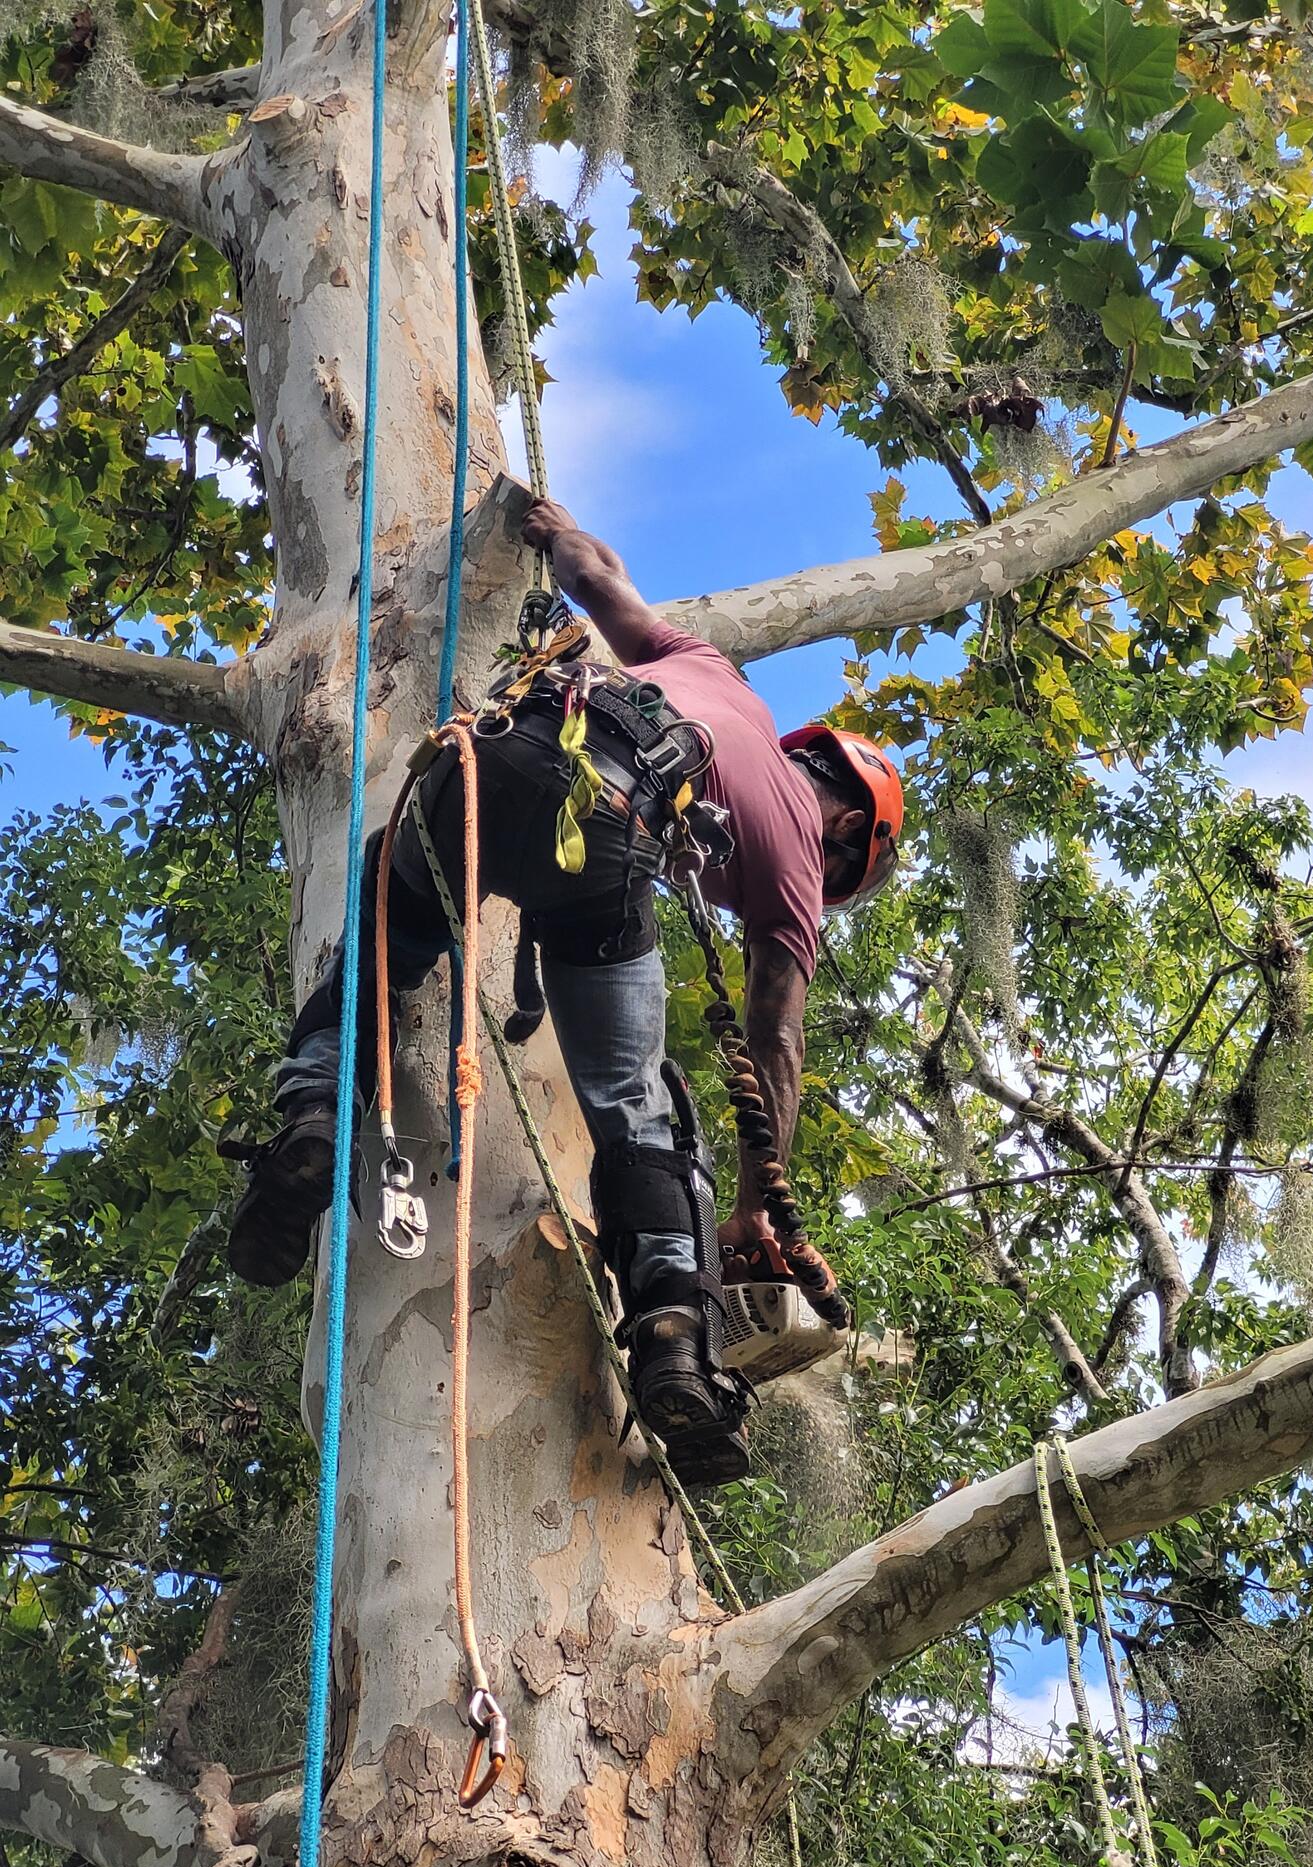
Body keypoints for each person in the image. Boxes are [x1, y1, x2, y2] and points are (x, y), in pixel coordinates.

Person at [226, 499, 903, 1483]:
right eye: (842, 876)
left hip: (487, 761)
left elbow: (599, 572)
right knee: (637, 1103)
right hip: (611, 828)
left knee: (388, 921)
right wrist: (760, 1207)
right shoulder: (800, 850)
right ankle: (672, 1328)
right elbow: (777, 1045)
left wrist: (547, 526)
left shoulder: (718, 681)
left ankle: (315, 1117)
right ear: (847, 828)